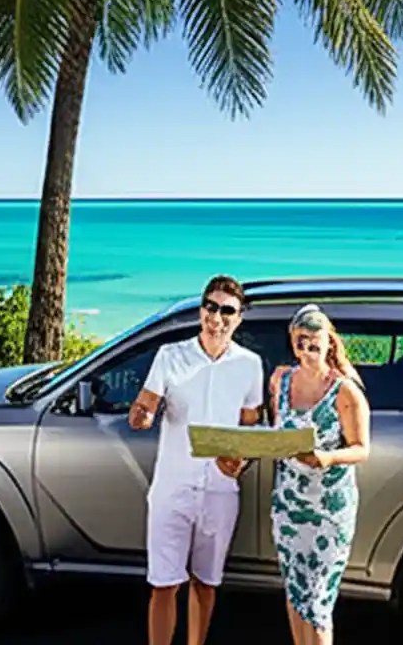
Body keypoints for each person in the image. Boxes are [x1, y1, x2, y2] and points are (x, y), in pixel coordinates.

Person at [127, 275, 263, 645]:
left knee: (206, 582)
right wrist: (141, 416)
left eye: (226, 310)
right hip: (172, 490)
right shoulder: (170, 356)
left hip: (220, 492)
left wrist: (241, 462)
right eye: (210, 306)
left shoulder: (250, 365)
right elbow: (144, 408)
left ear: (239, 318)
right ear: (202, 309)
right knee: (163, 584)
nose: (216, 317)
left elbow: (250, 429)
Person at [263, 303, 371, 645]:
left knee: (318, 600)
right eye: (300, 341)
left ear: (329, 342)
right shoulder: (280, 379)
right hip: (288, 506)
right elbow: (275, 432)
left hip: (328, 510)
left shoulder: (345, 390)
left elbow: (361, 448)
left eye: (313, 341)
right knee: (295, 592)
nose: (307, 347)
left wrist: (326, 457)